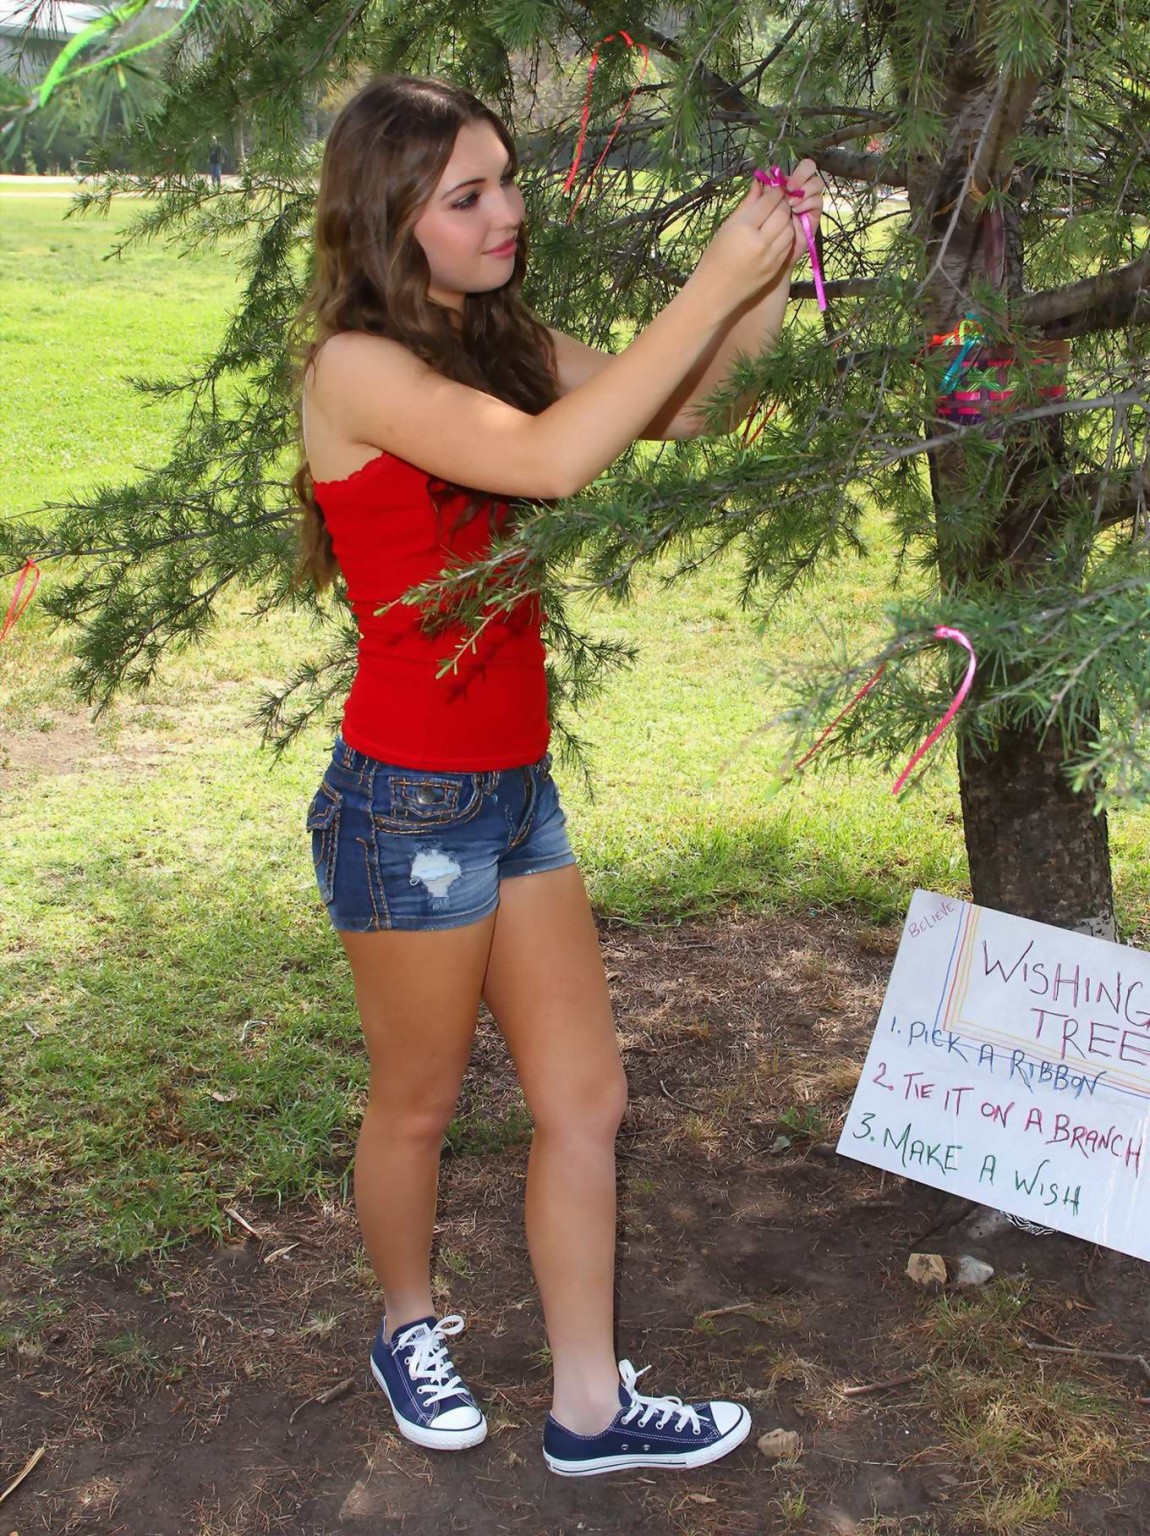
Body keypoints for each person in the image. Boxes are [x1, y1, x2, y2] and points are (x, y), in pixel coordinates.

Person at [291, 73, 822, 1478]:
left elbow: (690, 413)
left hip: (510, 791)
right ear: (387, 216)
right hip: (406, 801)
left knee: (585, 1102)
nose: (506, 211)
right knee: (415, 1101)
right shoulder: (358, 370)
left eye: (507, 180)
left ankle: (588, 1407)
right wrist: (704, 278)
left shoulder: (494, 336)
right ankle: (406, 1322)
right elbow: (552, 462)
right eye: (467, 195)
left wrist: (759, 279)